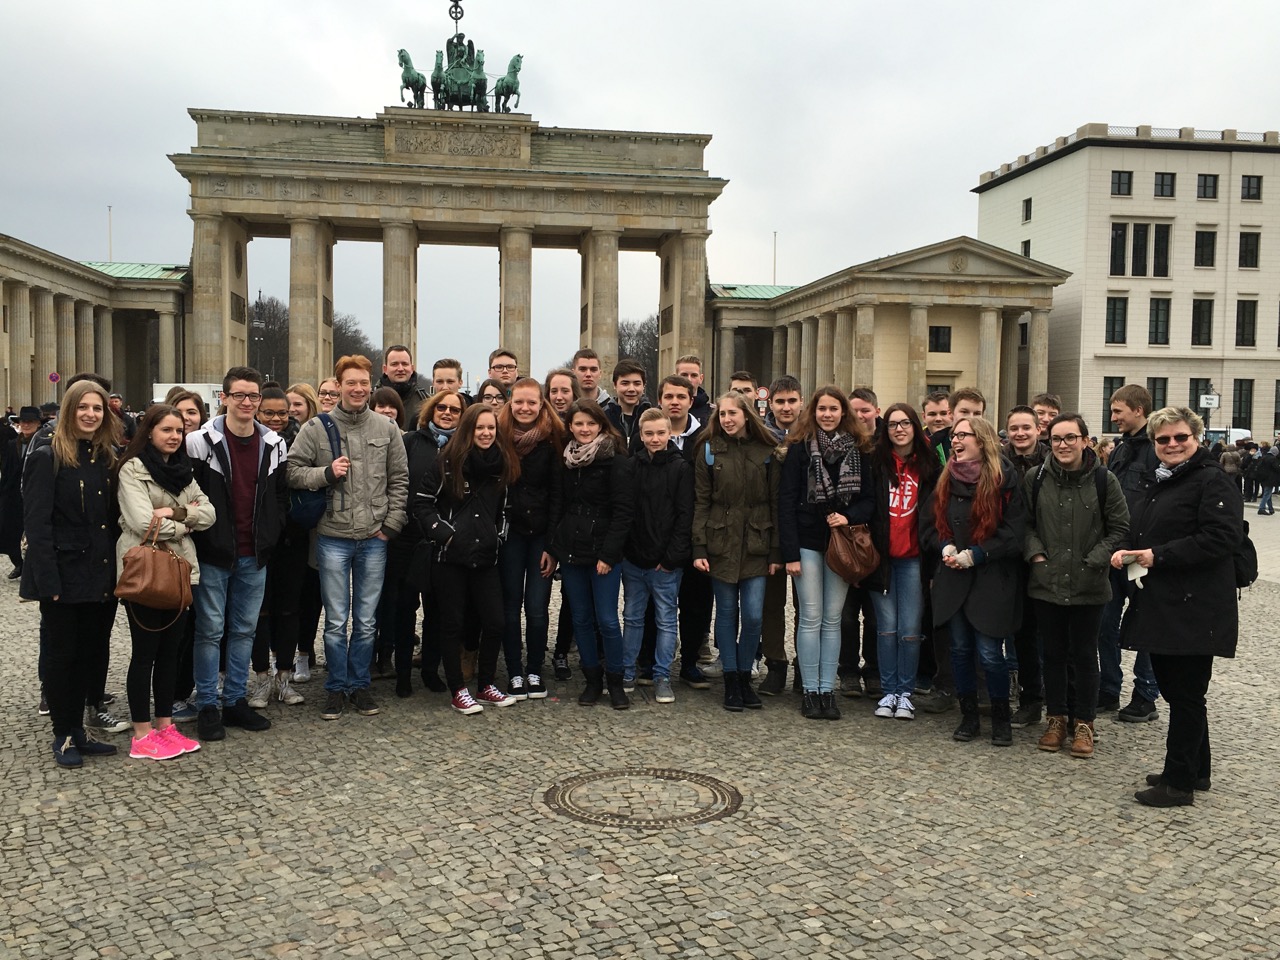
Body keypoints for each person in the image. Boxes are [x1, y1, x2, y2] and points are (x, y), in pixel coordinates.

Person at [1115, 407, 1242, 807]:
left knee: (1186, 696)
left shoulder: (1212, 481)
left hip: (1195, 607)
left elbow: (1221, 538)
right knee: (1180, 692)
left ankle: (1178, 782)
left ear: (1197, 438)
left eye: (1180, 437)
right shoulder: (1165, 480)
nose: (1172, 444)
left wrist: (1157, 555)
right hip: (1168, 603)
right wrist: (1132, 552)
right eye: (1163, 439)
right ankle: (1196, 770)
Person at [287, 355, 409, 722]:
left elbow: (400, 480)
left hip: (374, 536)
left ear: (370, 386)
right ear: (338, 386)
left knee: (367, 619)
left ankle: (360, 684)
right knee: (337, 619)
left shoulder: (387, 429)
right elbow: (292, 472)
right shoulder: (315, 428)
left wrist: (391, 525)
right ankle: (336, 687)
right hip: (333, 537)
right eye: (350, 383)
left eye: (363, 383)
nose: (357, 389)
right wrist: (325, 472)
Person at [21, 379, 121, 768]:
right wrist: (48, 581)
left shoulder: (105, 456)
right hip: (63, 574)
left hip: (99, 574)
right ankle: (63, 734)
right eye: (83, 408)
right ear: (69, 411)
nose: (91, 414)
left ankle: (80, 730)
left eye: (97, 408)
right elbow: (38, 525)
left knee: (91, 654)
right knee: (61, 656)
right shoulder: (47, 456)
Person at [185, 367, 288, 742]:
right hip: (215, 552)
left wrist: (272, 532)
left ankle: (234, 701)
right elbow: (189, 494)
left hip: (254, 552)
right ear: (224, 398)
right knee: (210, 631)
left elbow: (278, 495)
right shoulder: (199, 442)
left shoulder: (275, 444)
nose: (247, 402)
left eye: (254, 396)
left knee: (244, 629)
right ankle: (208, 705)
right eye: (240, 395)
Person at [1025, 414, 1129, 759]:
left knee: (1085, 656)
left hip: (1089, 584)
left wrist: (1095, 559)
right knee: (1052, 655)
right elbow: (1024, 525)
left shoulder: (1104, 479)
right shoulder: (1035, 479)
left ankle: (1084, 722)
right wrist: (1037, 555)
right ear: (1048, 442)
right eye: (1056, 439)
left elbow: (1120, 527)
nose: (1063, 445)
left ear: (1085, 440)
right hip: (1047, 583)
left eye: (1071, 438)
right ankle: (1055, 719)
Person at [115, 405, 215, 761]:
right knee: (145, 654)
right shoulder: (133, 469)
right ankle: (141, 733)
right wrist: (187, 525)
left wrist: (175, 513)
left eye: (178, 431)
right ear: (150, 432)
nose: (174, 436)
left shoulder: (183, 471)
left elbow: (210, 513)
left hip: (181, 571)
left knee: (170, 653)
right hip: (145, 570)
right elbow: (143, 523)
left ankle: (164, 724)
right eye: (166, 430)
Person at [921, 415, 1026, 747]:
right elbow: (928, 527)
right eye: (953, 435)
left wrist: (977, 554)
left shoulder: (1005, 479)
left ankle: (1000, 718)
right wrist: (946, 546)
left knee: (990, 653)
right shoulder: (945, 479)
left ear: (981, 440)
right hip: (954, 578)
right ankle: (968, 717)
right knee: (961, 650)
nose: (955, 440)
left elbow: (1015, 534)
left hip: (992, 579)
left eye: (962, 435)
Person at [415, 404, 520, 715]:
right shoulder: (446, 462)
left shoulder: (503, 464)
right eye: (480, 428)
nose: (486, 433)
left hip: (486, 555)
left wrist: (498, 534)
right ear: (468, 430)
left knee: (495, 621)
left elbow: (505, 508)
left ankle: (486, 683)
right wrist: (445, 534)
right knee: (453, 624)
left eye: (491, 428)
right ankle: (457, 689)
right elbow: (422, 504)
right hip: (450, 557)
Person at [779, 386, 876, 721]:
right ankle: (809, 691)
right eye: (822, 409)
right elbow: (787, 502)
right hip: (806, 541)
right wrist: (789, 553)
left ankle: (826, 689)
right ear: (814, 411)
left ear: (843, 411)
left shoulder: (860, 449)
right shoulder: (799, 447)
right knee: (810, 616)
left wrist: (849, 516)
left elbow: (869, 499)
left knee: (833, 619)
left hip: (843, 544)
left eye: (834, 409)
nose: (828, 414)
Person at [692, 392, 781, 712]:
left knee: (754, 615)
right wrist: (699, 546)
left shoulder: (768, 451)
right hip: (721, 543)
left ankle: (746, 676)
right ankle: (731, 679)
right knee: (727, 615)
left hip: (757, 543)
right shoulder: (708, 450)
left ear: (747, 415)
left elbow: (775, 504)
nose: (727, 419)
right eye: (723, 413)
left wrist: (775, 553)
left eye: (733, 413)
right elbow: (701, 502)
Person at [547, 400, 634, 708]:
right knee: (581, 619)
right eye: (578, 424)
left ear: (600, 425)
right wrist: (552, 548)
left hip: (603, 551)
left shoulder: (617, 461)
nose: (584, 429)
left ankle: (616, 679)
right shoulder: (565, 460)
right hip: (571, 549)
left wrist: (609, 555)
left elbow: (624, 513)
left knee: (608, 620)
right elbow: (557, 506)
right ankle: (592, 679)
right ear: (570, 426)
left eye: (590, 424)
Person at [868, 403, 940, 720]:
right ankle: (888, 692)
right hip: (881, 557)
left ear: (915, 426)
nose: (899, 429)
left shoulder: (929, 467)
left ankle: (906, 694)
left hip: (913, 558)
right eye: (893, 424)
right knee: (885, 629)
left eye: (905, 423)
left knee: (910, 630)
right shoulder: (875, 463)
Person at [496, 379, 565, 700]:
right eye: (519, 402)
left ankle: (535, 669)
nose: (525, 408)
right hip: (509, 535)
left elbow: (557, 498)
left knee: (537, 607)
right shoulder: (498, 438)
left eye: (532, 403)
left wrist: (553, 546)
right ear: (510, 402)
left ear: (541, 405)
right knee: (510, 607)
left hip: (540, 537)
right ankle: (513, 672)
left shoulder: (554, 441)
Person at [395, 391, 467, 695]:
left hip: (443, 539)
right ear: (431, 410)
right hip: (408, 536)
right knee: (403, 608)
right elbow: (396, 481)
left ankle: (430, 669)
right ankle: (401, 675)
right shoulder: (411, 440)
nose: (447, 412)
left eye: (454, 409)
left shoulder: (465, 447)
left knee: (437, 611)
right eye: (442, 407)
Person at [621, 410, 692, 705]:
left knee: (665, 619)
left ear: (669, 434)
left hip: (665, 560)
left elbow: (684, 516)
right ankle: (627, 670)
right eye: (649, 434)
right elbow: (624, 511)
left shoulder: (681, 468)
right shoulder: (630, 466)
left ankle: (662, 675)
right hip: (634, 558)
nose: (654, 439)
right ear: (640, 434)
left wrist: (672, 557)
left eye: (660, 433)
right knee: (632, 617)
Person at [1100, 384, 1162, 721]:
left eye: (1118, 411)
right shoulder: (1122, 448)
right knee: (1104, 623)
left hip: (1142, 554)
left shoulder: (1157, 448)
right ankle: (1108, 688)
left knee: (1144, 627)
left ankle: (1145, 695)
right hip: (1116, 551)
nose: (1113, 417)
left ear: (1138, 410)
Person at [759, 376, 803, 696]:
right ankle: (775, 663)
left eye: (791, 401)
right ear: (770, 404)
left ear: (801, 401)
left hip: (805, 531)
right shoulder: (760, 436)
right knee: (771, 605)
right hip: (769, 530)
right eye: (780, 401)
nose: (786, 408)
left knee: (807, 606)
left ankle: (806, 666)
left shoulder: (814, 435)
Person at [1, 405, 42, 579]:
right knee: (10, 531)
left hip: (35, 494)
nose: (26, 425)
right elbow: (6, 470)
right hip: (13, 495)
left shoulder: (42, 443)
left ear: (38, 424)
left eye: (30, 422)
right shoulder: (12, 445)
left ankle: (31, 566)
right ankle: (19, 563)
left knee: (34, 531)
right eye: (23, 422)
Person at [377, 345, 430, 427]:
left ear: (412, 368)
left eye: (405, 364)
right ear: (385, 369)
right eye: (394, 364)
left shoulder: (426, 401)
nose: (400, 369)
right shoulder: (370, 399)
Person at [604, 359, 652, 448]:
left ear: (643, 386)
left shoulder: (653, 417)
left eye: (637, 384)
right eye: (625, 383)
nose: (631, 389)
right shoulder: (604, 416)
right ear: (615, 385)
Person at [675, 356, 713, 427]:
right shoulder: (662, 411)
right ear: (675, 377)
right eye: (684, 375)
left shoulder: (713, 414)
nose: (689, 380)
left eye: (694, 375)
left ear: (701, 378)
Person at [1253, 443, 1279, 515]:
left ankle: (1271, 508)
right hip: (1270, 478)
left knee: (1268, 493)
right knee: (1267, 493)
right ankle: (1261, 508)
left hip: (1263, 478)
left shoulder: (1264, 457)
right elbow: (1277, 468)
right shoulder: (1273, 459)